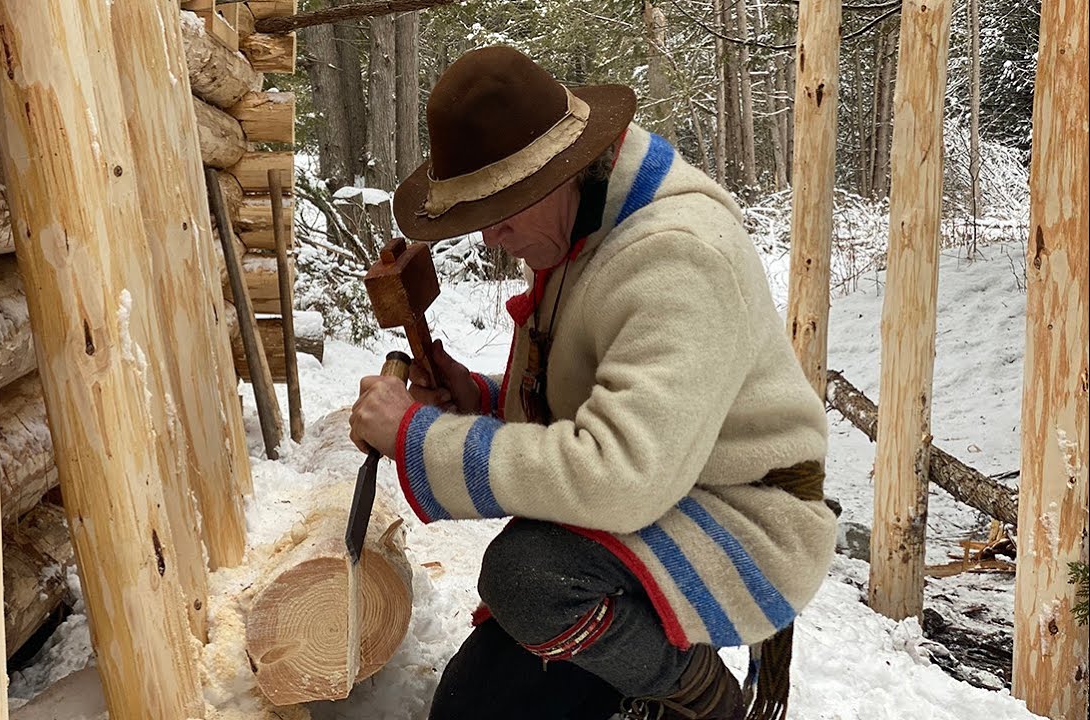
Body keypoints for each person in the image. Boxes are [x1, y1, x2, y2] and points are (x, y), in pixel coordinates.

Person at [349, 46, 836, 720]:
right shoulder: (586, 220)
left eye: (506, 210)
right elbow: (594, 399)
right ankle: (626, 673)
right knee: (470, 709)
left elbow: (622, 472)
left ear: (565, 170)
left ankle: (695, 694)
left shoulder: (676, 257)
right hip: (675, 485)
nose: (494, 236)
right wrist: (481, 398)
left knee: (528, 577)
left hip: (745, 516)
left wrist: (417, 436)